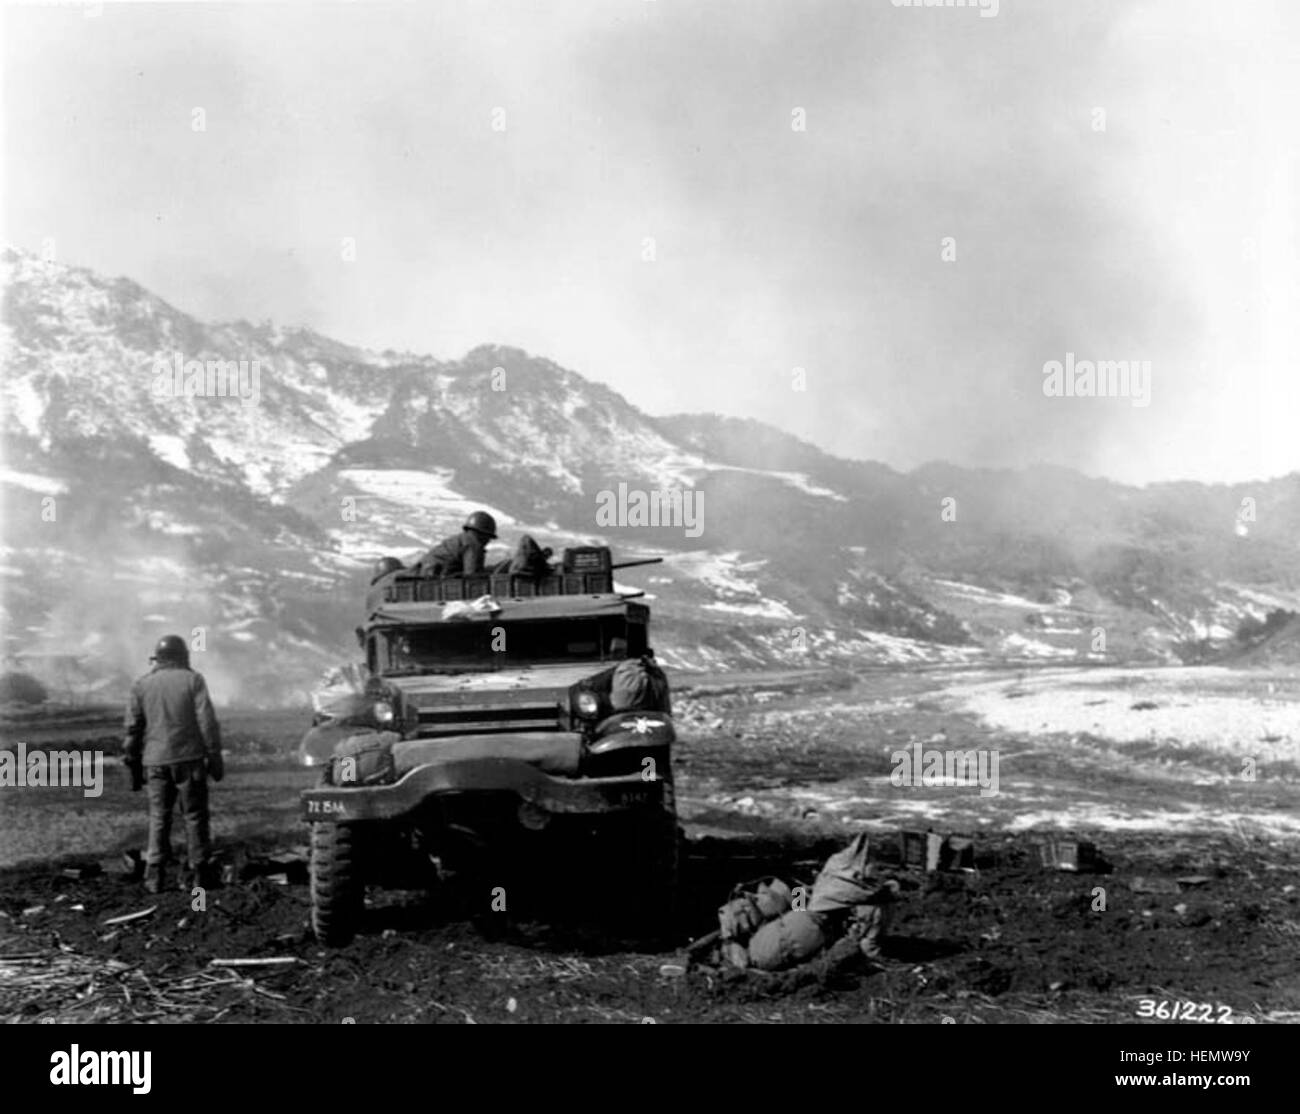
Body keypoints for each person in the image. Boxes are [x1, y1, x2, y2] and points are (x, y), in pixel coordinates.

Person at [123, 634, 224, 893]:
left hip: (154, 761)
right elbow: (207, 723)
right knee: (194, 816)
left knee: (159, 816)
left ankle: (154, 876)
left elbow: (133, 731)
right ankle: (200, 875)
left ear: (158, 659)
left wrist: (133, 763)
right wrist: (214, 757)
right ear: (182, 657)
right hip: (189, 759)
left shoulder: (142, 685)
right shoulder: (193, 680)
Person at [415, 511, 497, 576]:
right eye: (489, 537)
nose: (488, 541)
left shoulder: (462, 539)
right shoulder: (472, 544)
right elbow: (473, 575)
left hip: (427, 573)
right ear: (483, 534)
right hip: (434, 578)